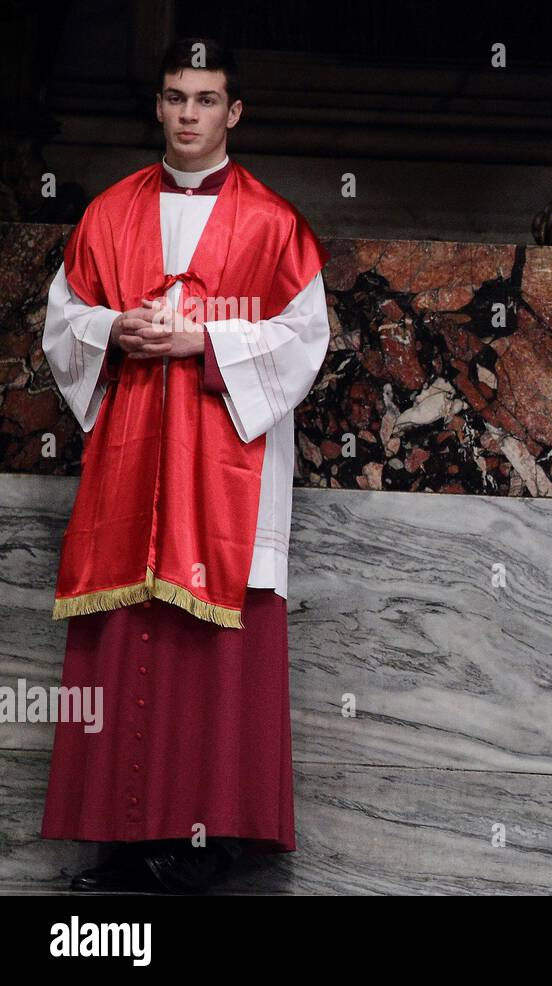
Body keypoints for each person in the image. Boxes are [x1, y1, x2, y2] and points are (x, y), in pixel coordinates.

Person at [39, 37, 330, 893]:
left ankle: (208, 844)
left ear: (233, 113)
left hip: (224, 477)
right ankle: (124, 844)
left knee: (209, 661)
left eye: (206, 100)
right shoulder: (108, 214)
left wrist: (203, 338)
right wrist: (112, 332)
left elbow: (304, 340)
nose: (189, 115)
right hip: (130, 470)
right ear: (158, 106)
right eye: (175, 98)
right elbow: (64, 321)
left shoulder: (275, 223)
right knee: (125, 643)